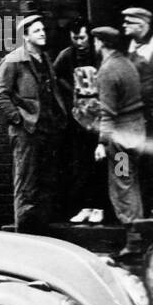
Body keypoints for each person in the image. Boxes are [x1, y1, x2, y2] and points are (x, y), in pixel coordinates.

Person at [0, 13, 69, 234]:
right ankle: (25, 234)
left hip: (47, 130)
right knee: (26, 185)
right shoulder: (13, 60)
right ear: (25, 36)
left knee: (46, 183)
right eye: (36, 30)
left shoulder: (45, 59)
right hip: (26, 132)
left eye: (43, 29)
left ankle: (41, 232)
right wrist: (19, 119)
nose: (42, 33)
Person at [92, 26, 145, 249]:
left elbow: (107, 112)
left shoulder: (108, 70)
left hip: (121, 140)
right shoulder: (127, 64)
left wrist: (102, 142)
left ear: (102, 43)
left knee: (122, 183)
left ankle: (134, 241)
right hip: (137, 131)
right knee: (130, 181)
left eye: (96, 42)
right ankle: (137, 235)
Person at [53, 18, 105, 223]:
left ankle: (105, 208)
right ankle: (87, 206)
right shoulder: (66, 56)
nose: (79, 42)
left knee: (114, 165)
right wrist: (69, 93)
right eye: (75, 38)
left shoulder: (100, 55)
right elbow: (55, 76)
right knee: (82, 165)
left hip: (104, 121)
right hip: (80, 120)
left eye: (82, 37)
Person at [122, 6, 153, 212]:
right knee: (128, 163)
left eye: (129, 22)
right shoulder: (132, 46)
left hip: (150, 120)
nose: (124, 25)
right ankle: (135, 208)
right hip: (133, 119)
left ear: (141, 25)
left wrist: (151, 114)